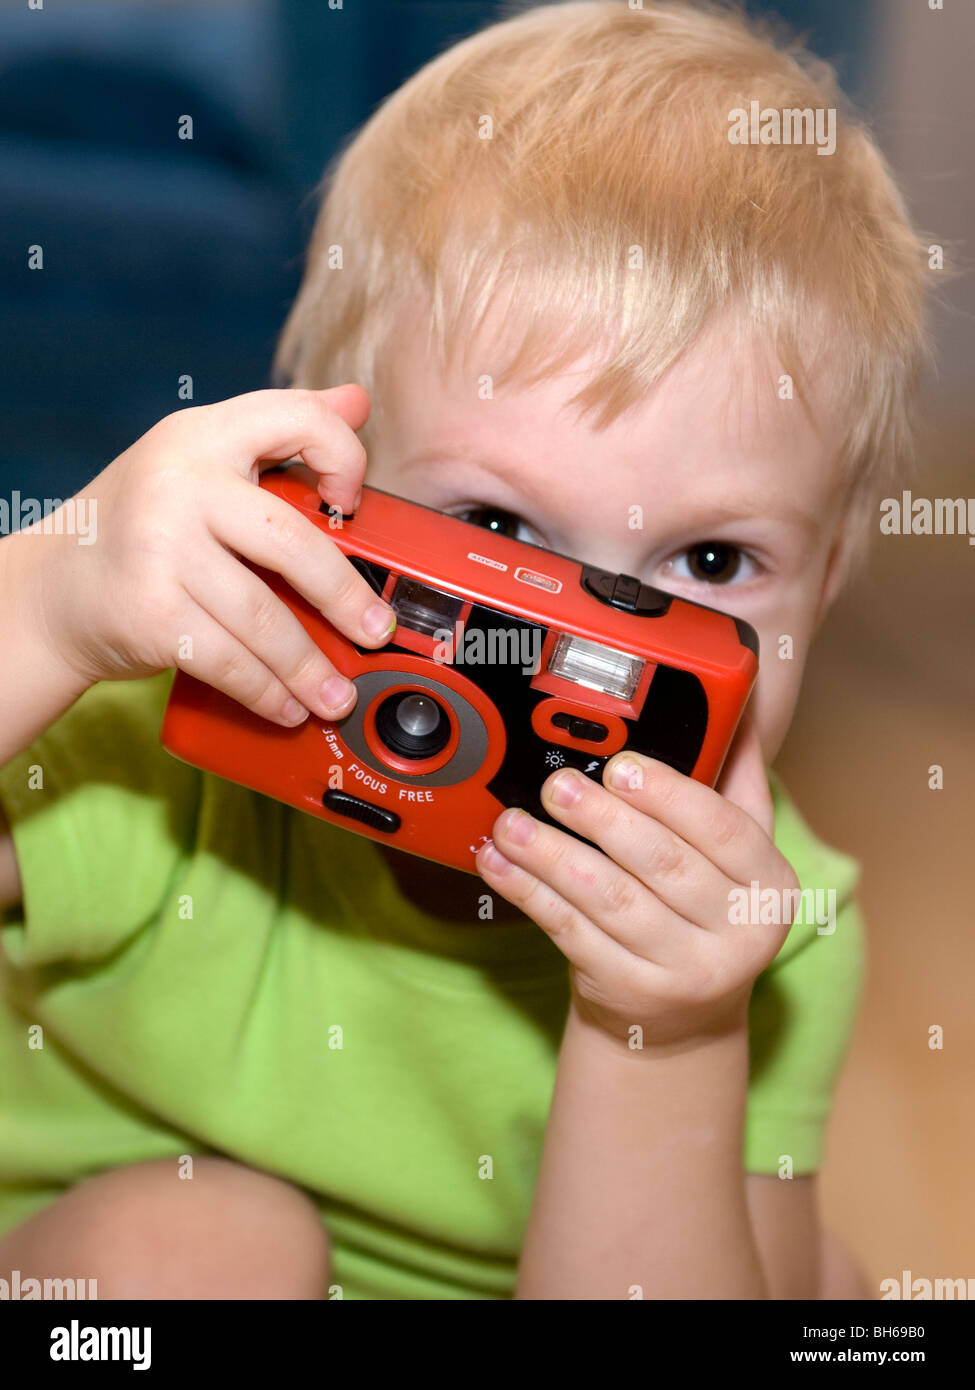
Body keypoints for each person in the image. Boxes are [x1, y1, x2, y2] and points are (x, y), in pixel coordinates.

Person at [0, 1, 927, 1299]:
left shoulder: (764, 926)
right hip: (100, 1280)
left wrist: (663, 1030)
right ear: (323, 487)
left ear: (823, 589)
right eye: (495, 529)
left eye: (711, 563)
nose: (582, 644)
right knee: (210, 1241)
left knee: (832, 1295)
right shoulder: (173, 753)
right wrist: (49, 601)